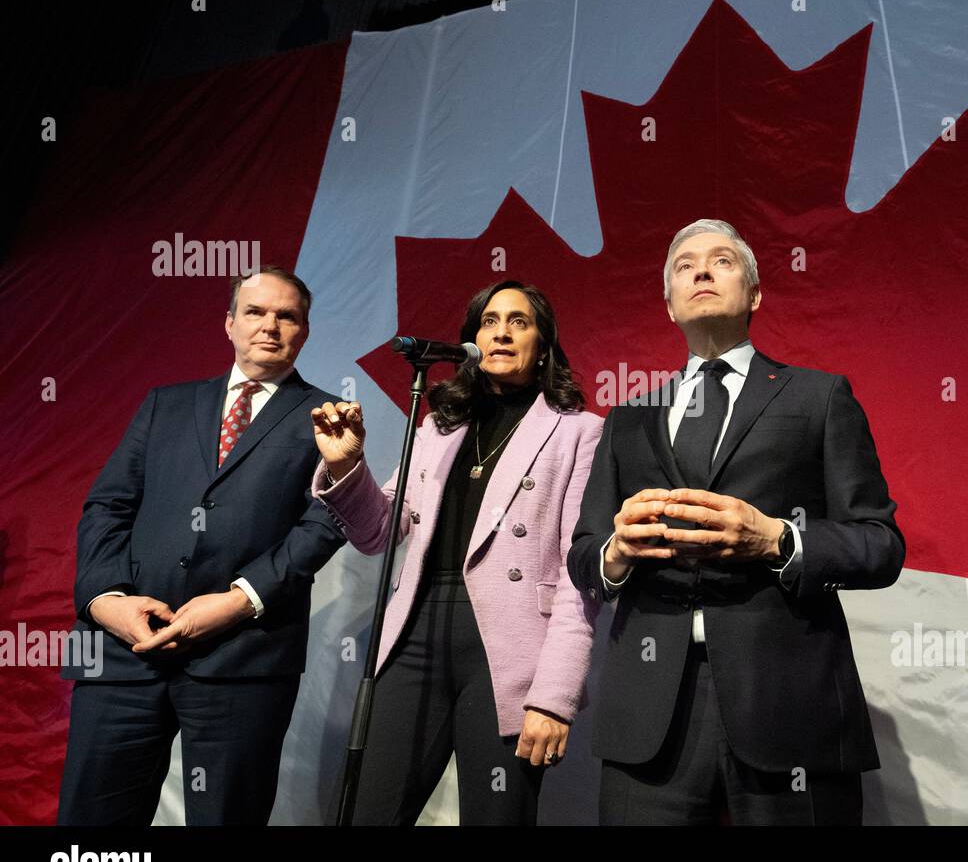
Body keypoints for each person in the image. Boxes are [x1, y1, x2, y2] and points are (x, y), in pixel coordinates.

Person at [568, 219, 906, 825]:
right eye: (684, 265)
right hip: (650, 717)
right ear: (669, 304)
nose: (700, 270)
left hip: (788, 704)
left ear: (754, 294)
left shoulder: (819, 397)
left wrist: (776, 538)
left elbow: (880, 545)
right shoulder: (627, 418)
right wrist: (617, 551)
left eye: (722, 261)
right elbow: (584, 554)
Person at [59, 266, 347, 825]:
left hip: (243, 654)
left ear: (304, 332)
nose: (270, 326)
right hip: (122, 651)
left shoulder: (328, 419)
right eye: (256, 312)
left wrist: (239, 601)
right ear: (229, 324)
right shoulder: (164, 404)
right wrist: (105, 602)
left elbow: (327, 522)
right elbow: (107, 507)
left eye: (286, 316)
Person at [310, 280, 602, 825]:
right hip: (417, 630)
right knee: (371, 810)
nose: (501, 332)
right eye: (489, 322)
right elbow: (377, 532)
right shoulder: (437, 427)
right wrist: (348, 467)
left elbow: (576, 573)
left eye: (519, 322)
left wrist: (556, 694)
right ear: (470, 342)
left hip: (506, 647)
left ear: (544, 344)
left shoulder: (578, 432)